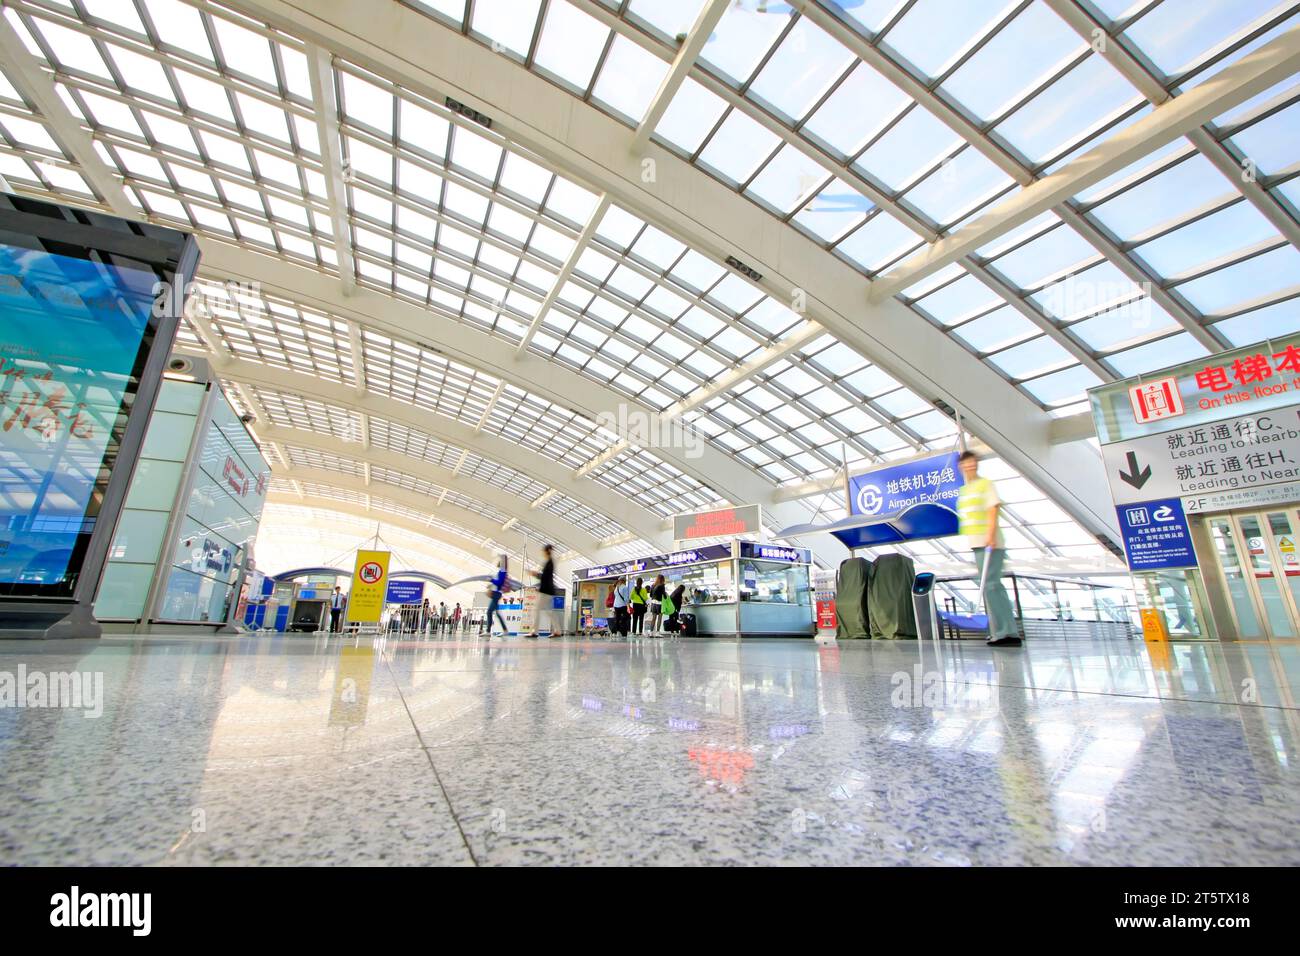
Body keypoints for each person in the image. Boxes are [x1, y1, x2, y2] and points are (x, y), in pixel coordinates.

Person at [957, 450, 1021, 647]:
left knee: (992, 585)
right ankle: (998, 630)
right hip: (976, 544)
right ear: (961, 466)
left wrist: (991, 535)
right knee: (989, 586)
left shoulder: (986, 485)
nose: (970, 466)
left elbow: (993, 508)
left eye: (973, 463)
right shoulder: (964, 490)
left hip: (990, 543)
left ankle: (1007, 632)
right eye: (966, 464)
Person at [528, 544, 562, 639]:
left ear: (546, 551)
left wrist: (535, 574)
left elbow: (545, 577)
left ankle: (534, 632)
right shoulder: (550, 562)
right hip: (548, 590)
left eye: (543, 551)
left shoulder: (549, 562)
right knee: (549, 611)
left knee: (536, 609)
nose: (542, 553)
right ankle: (558, 631)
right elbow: (546, 577)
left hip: (546, 591)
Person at [484, 556, 509, 638]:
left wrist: (491, 580)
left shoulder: (502, 572)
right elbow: (498, 583)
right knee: (497, 613)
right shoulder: (501, 571)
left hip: (496, 594)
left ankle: (488, 631)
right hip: (496, 593)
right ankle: (505, 630)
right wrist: (491, 584)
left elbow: (499, 583)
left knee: (489, 612)